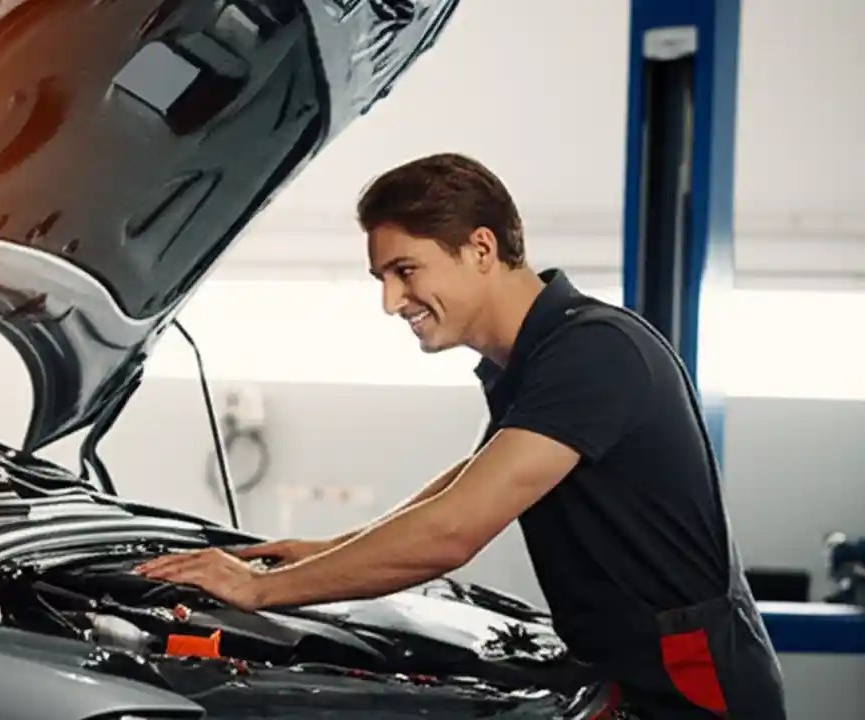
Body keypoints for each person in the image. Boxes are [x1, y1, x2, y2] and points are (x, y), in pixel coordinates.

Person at [135, 153, 787, 718]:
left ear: (480, 248)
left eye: (406, 271)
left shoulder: (592, 353)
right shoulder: (536, 357)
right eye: (382, 279)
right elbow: (473, 478)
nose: (391, 301)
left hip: (691, 692)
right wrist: (329, 549)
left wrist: (259, 591)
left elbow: (453, 531)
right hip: (628, 674)